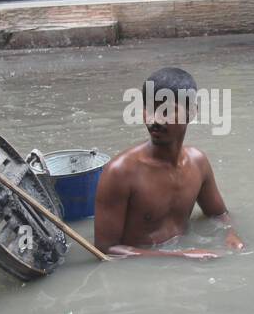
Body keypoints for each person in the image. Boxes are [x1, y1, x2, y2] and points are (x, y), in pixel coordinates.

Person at [94, 67, 243, 258]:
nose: (155, 120)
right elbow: (105, 250)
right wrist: (182, 256)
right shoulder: (120, 172)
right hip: (143, 275)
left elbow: (219, 214)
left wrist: (230, 234)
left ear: (191, 113)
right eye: (150, 109)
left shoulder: (198, 163)